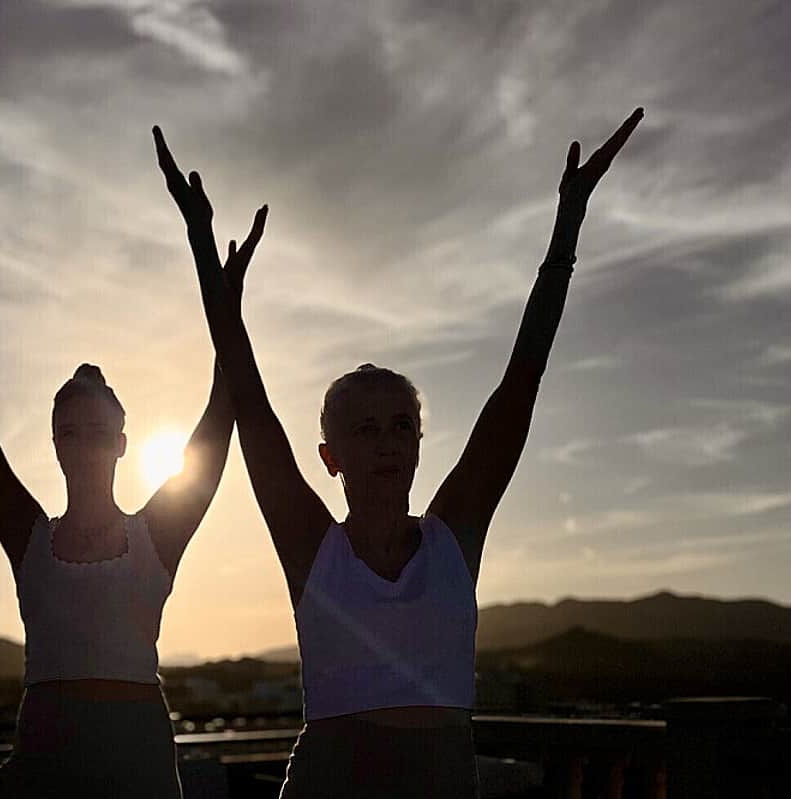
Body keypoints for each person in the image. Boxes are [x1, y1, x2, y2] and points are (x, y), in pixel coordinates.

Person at [154, 107, 644, 797]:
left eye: (401, 426)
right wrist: (201, 240)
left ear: (418, 443)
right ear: (330, 456)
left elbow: (521, 381)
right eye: (366, 429)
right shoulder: (313, 550)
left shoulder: (453, 539)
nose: (387, 442)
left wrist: (569, 222)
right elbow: (252, 403)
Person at [0, 209, 263, 798]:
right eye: (69, 431)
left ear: (122, 443)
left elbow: (221, 412)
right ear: (54, 441)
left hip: (136, 766)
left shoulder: (155, 536)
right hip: (42, 764)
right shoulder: (30, 539)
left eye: (97, 431)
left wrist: (224, 298)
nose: (83, 445)